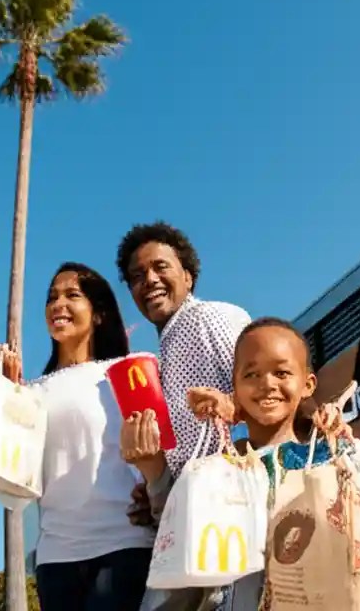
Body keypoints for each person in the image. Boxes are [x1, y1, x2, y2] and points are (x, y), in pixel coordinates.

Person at [0, 262, 154, 611]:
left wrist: (155, 494)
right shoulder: (31, 391)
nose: (58, 304)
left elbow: (158, 449)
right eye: (52, 297)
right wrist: (7, 396)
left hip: (124, 546)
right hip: (55, 558)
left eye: (72, 295)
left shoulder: (125, 373)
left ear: (97, 315)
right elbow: (13, 477)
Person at [113, 221, 251, 611]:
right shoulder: (162, 352)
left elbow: (263, 396)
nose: (149, 280)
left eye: (161, 268)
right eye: (137, 277)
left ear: (188, 277)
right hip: (182, 512)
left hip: (224, 508)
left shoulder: (211, 317)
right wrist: (154, 481)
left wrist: (231, 405)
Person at [185, 318, 360, 610]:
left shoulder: (325, 455)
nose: (267, 384)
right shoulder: (223, 472)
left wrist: (337, 439)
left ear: (307, 384)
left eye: (281, 372)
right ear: (235, 389)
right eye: (251, 374)